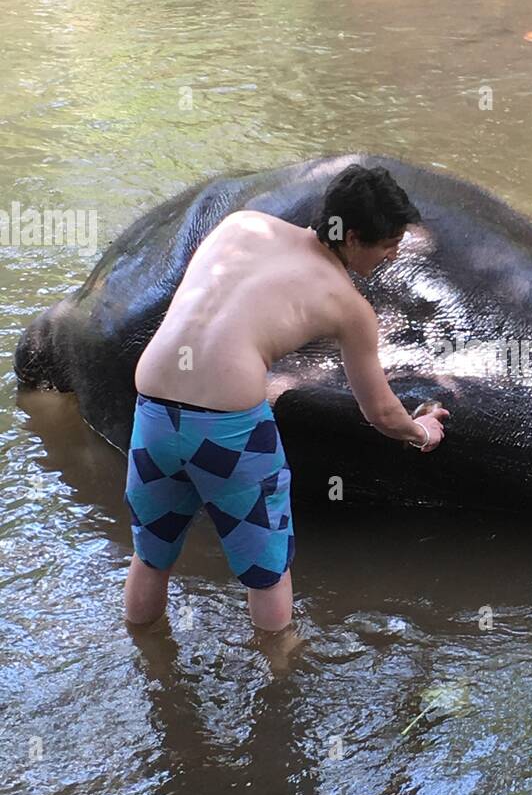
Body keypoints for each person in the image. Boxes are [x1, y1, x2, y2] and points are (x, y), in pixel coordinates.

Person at [123, 165, 449, 632]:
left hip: (152, 409)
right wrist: (421, 431)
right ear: (353, 238)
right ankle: (279, 683)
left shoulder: (242, 224)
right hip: (228, 428)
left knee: (151, 556)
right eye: (389, 243)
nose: (394, 253)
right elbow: (379, 412)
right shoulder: (348, 306)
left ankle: (149, 665)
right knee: (267, 573)